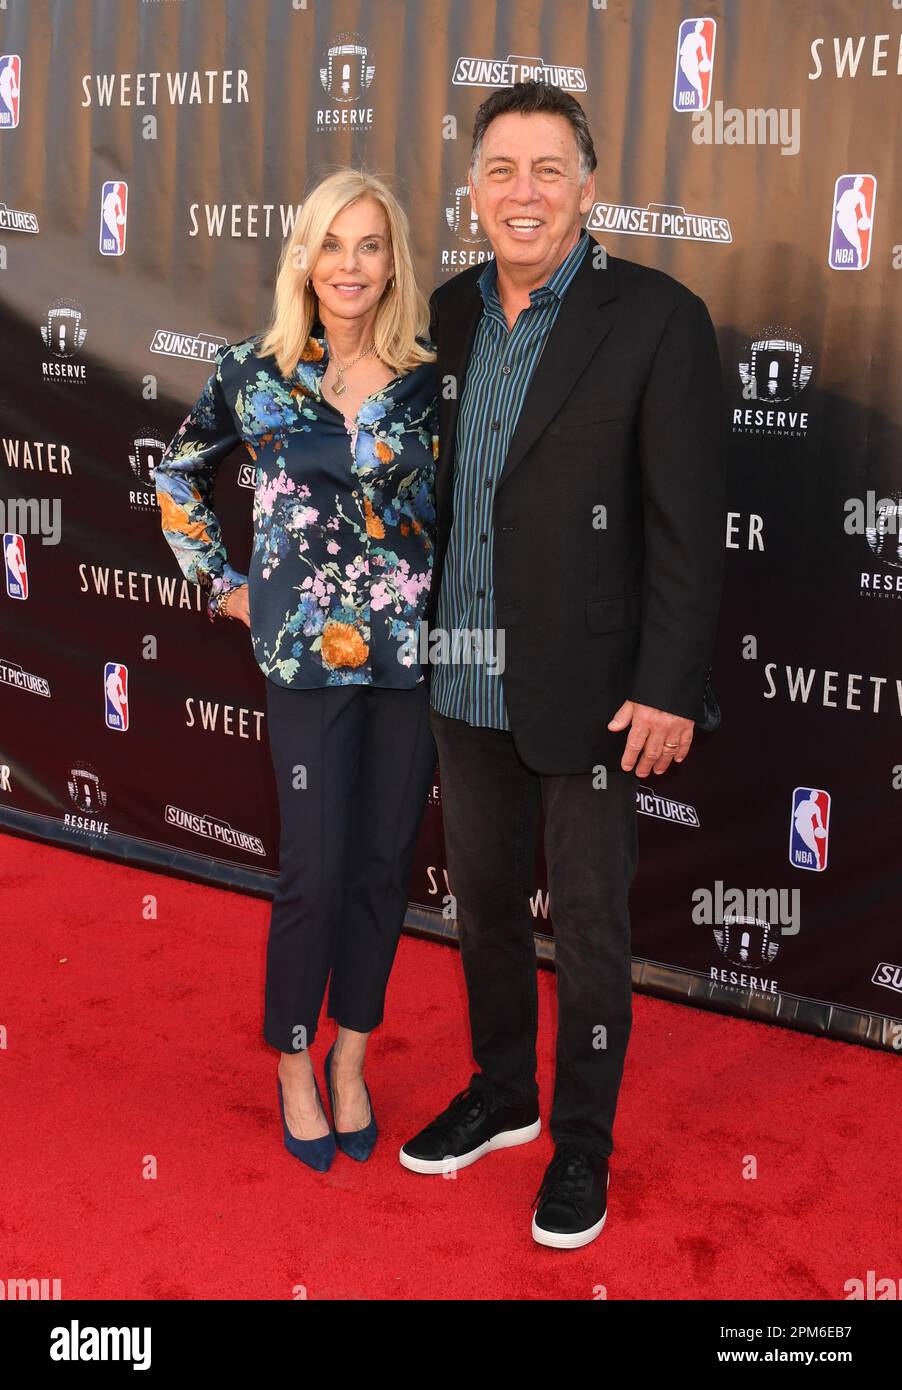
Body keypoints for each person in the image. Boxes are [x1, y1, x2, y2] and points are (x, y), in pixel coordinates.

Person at [399, 81, 725, 1248]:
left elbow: (686, 522)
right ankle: (503, 1093)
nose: (521, 192)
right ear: (472, 189)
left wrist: (669, 682)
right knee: (481, 905)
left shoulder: (653, 318)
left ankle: (581, 1141)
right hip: (460, 674)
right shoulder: (437, 314)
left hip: (592, 691)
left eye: (547, 169)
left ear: (588, 188)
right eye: (499, 169)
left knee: (585, 924)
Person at [155, 169, 439, 1172]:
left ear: (393, 260)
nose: (350, 265)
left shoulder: (430, 382)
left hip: (408, 661)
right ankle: (290, 1060)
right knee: (313, 869)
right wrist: (223, 581)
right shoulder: (253, 370)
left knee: (379, 867)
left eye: (370, 245)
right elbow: (179, 466)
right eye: (333, 244)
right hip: (304, 661)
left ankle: (351, 1057)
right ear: (305, 261)